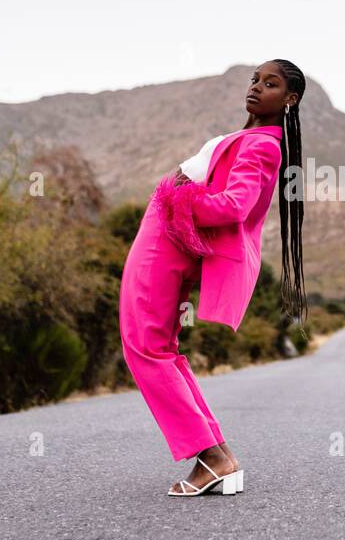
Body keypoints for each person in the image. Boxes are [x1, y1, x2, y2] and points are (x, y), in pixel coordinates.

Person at [118, 59, 309, 496]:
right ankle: (217, 456)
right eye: (255, 80)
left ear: (290, 99)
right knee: (157, 346)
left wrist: (178, 203)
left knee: (144, 346)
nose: (257, 88)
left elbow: (236, 205)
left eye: (271, 84)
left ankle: (214, 458)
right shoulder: (250, 135)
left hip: (168, 233)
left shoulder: (264, 144)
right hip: (168, 229)